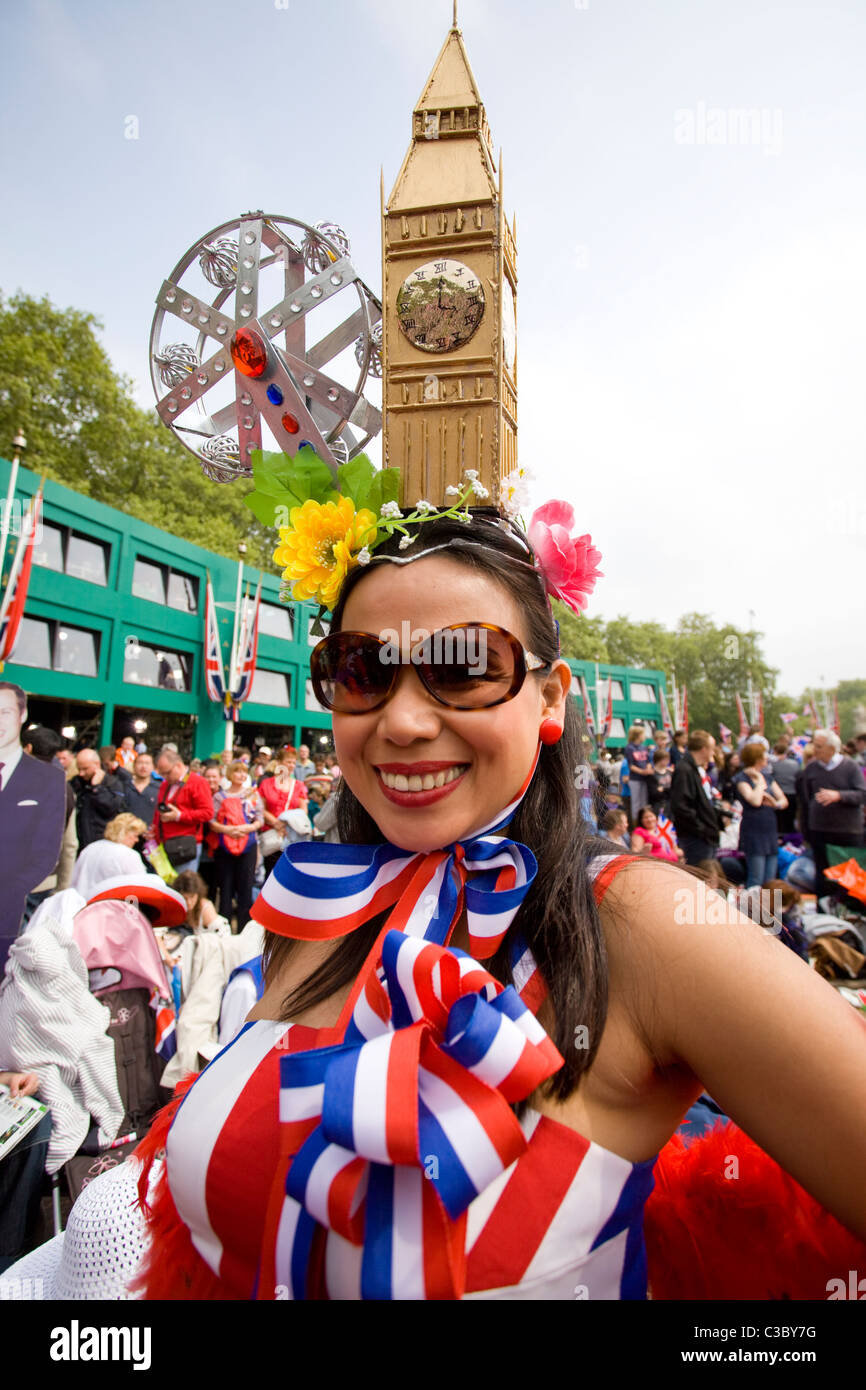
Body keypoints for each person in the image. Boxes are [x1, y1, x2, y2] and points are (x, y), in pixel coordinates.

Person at [128, 504, 866, 1304]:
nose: (403, 722)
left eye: (464, 668)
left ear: (550, 699)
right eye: (361, 671)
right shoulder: (312, 908)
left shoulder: (646, 924)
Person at [0, 683, 67, 970]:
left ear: (21, 715)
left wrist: (10, 890)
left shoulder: (47, 780)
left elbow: (46, 852)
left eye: (5, 712)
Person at [799, 729, 866, 894]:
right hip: (820, 831)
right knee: (822, 875)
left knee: (848, 876)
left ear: (831, 748)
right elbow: (806, 800)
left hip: (847, 832)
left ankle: (847, 912)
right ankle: (824, 910)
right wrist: (806, 830)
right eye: (814, 745)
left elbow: (862, 794)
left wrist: (839, 796)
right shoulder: (811, 768)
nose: (815, 749)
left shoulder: (850, 767)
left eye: (819, 746)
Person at [209, 761, 265, 930]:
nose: (241, 775)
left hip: (248, 844)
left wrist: (247, 828)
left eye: (243, 772)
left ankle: (244, 928)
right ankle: (225, 926)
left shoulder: (252, 795)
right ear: (230, 774)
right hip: (225, 846)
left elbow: (260, 818)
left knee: (246, 887)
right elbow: (211, 820)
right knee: (225, 886)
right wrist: (228, 830)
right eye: (237, 772)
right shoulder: (219, 796)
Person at [731, 743, 787, 887]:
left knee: (771, 879)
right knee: (756, 877)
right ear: (757, 759)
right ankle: (752, 909)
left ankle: (771, 909)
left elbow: (783, 800)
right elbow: (755, 801)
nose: (767, 758)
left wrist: (775, 804)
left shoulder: (769, 777)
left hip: (769, 829)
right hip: (753, 831)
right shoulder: (742, 779)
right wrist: (760, 782)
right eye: (764, 755)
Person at [151, 751, 214, 876]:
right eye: (162, 774)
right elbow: (159, 810)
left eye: (167, 773)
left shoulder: (198, 782)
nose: (165, 777)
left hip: (185, 846)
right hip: (165, 844)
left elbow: (207, 813)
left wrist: (179, 816)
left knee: (183, 889)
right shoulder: (165, 784)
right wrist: (153, 829)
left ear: (179, 765)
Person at [669, 730, 724, 866]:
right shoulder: (684, 770)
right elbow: (681, 806)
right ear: (704, 749)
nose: (713, 753)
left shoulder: (694, 769)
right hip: (696, 838)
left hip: (703, 835)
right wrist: (702, 829)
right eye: (712, 749)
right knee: (701, 877)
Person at [258, 753, 309, 876]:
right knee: (270, 872)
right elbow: (260, 807)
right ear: (279, 763)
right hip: (271, 834)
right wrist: (276, 823)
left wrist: (286, 822)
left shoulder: (298, 785)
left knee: (290, 875)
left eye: (293, 762)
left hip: (291, 835)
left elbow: (303, 810)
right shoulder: (266, 784)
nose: (291, 765)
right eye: (288, 762)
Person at [71, 747, 126, 850]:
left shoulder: (113, 783)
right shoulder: (77, 782)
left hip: (102, 843)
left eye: (85, 769)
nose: (81, 773)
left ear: (97, 764)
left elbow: (111, 808)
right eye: (79, 769)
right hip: (80, 841)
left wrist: (97, 788)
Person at [768, 738, 799, 835]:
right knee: (790, 820)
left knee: (778, 821)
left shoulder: (771, 764)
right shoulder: (795, 764)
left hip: (778, 795)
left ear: (775, 751)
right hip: (792, 794)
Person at [623, 725, 653, 821]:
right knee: (636, 803)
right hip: (635, 779)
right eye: (643, 734)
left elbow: (648, 761)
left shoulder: (643, 747)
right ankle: (636, 822)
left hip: (644, 778)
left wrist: (648, 769)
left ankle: (645, 820)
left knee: (644, 802)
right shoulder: (630, 748)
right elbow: (631, 765)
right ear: (638, 735)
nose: (644, 736)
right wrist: (642, 771)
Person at [122, 752, 160, 828]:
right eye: (140, 763)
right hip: (127, 833)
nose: (143, 766)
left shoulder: (160, 788)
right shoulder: (124, 786)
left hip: (150, 835)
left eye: (147, 763)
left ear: (153, 767)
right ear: (134, 766)